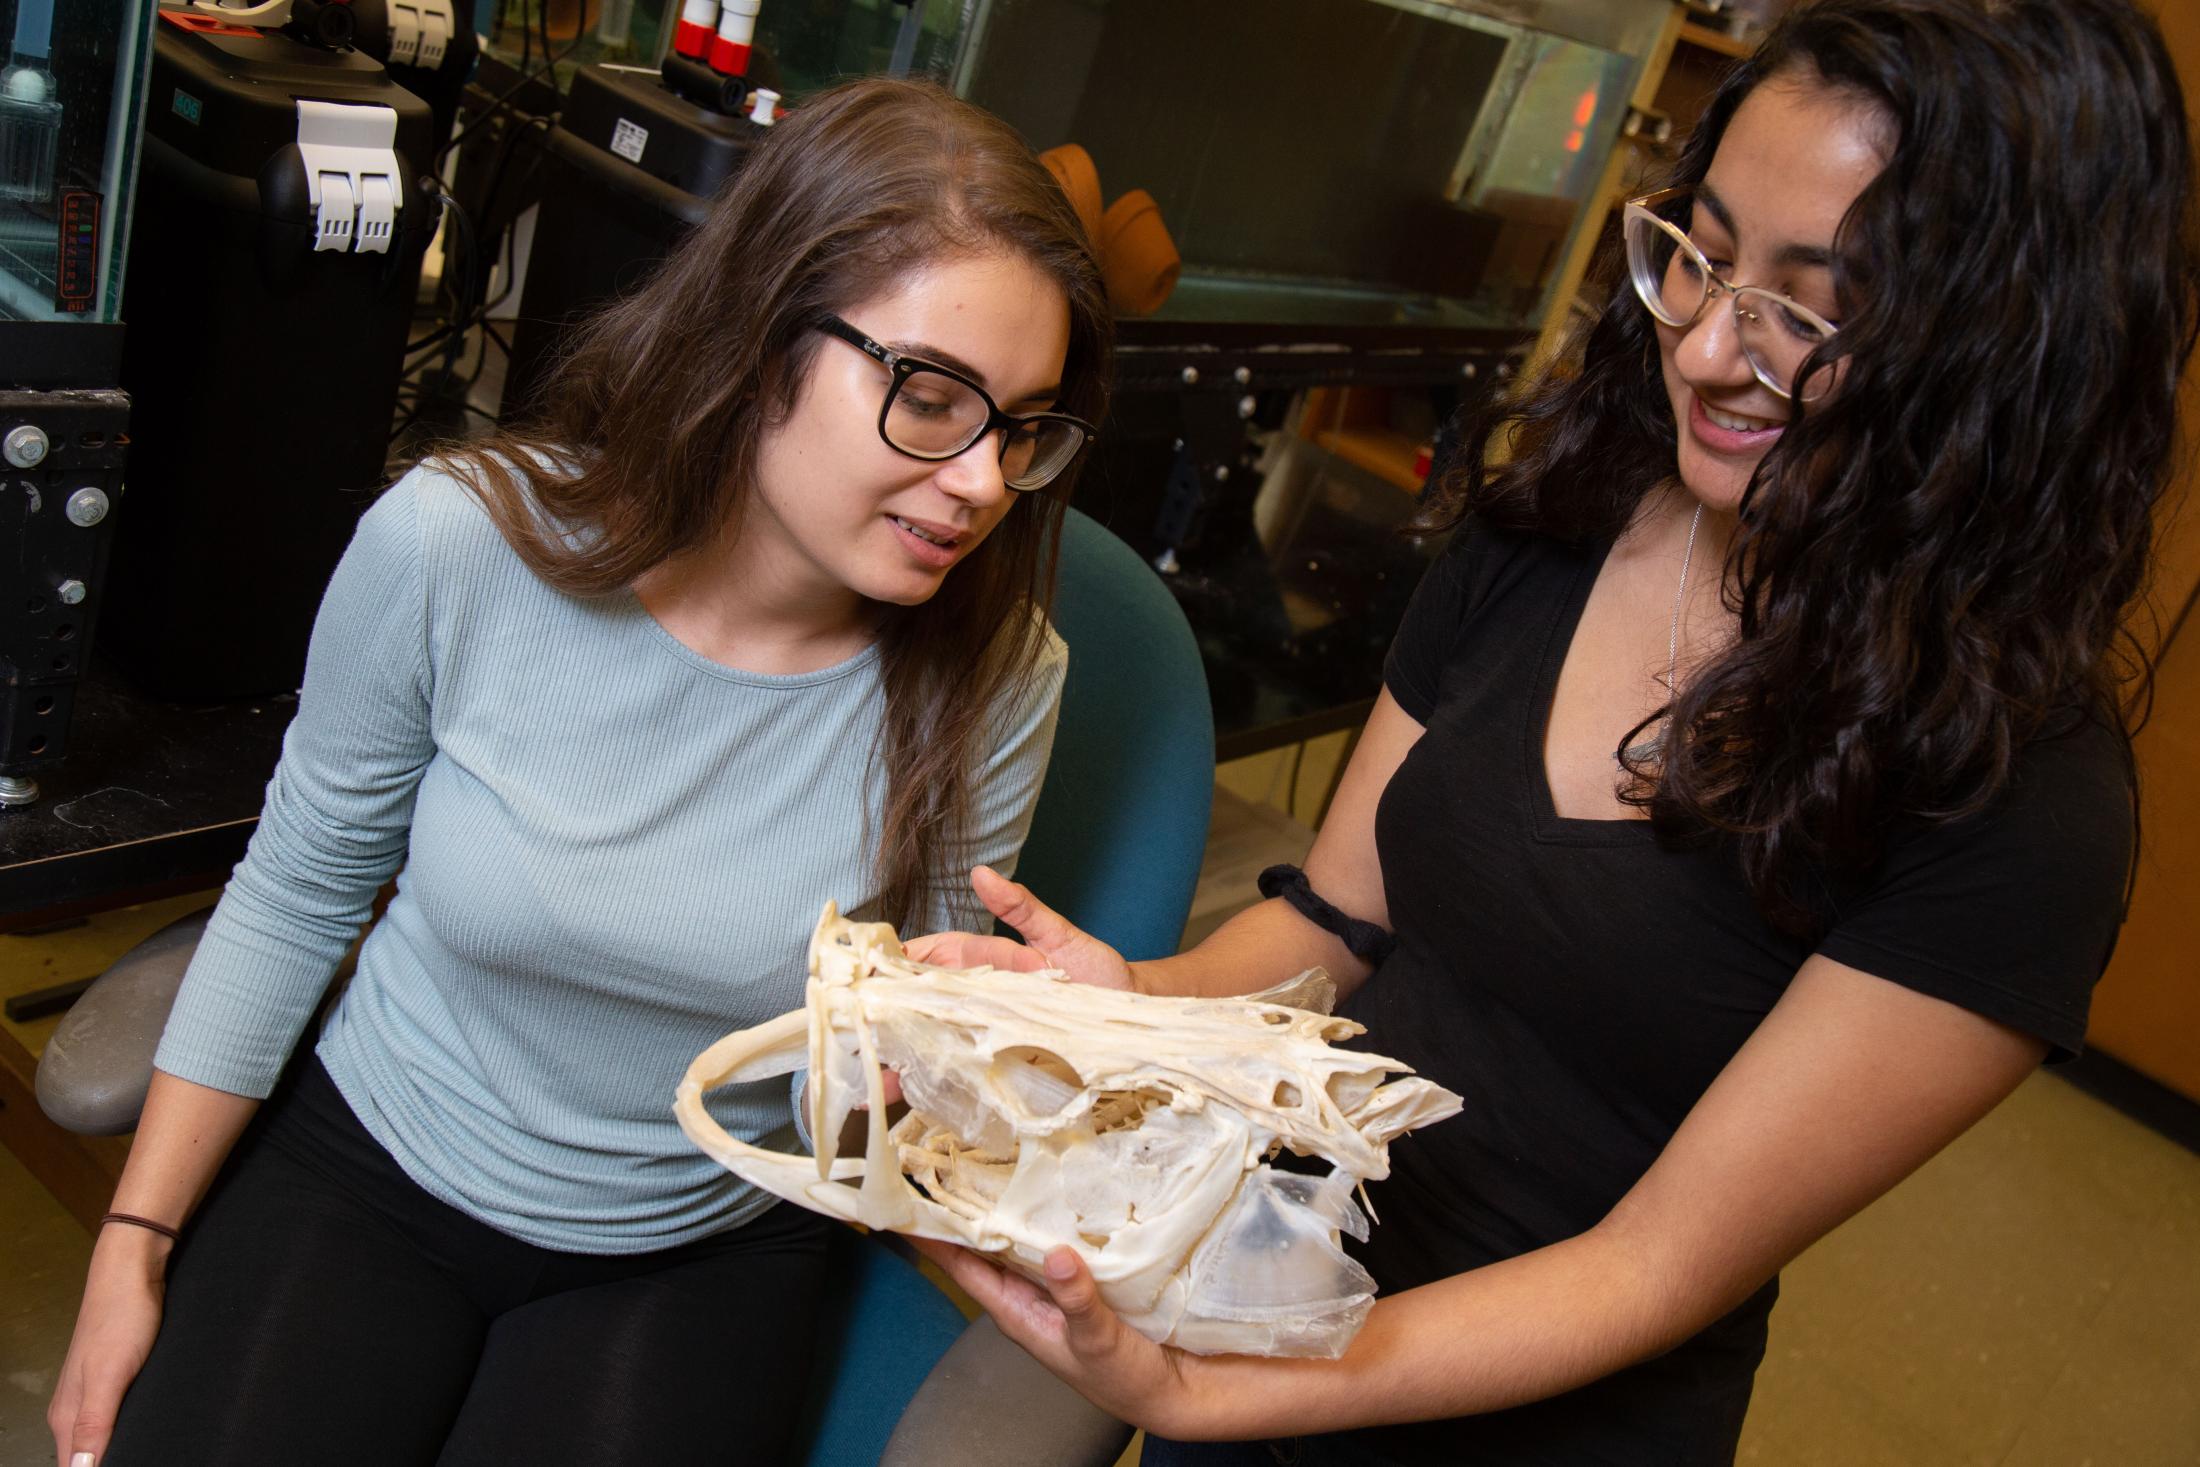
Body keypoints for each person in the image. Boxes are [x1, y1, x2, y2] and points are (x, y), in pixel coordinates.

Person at [908, 2, 2197, 1462]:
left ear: (2005, 358)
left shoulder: (2016, 798)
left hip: (1528, 1398)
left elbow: (1651, 1266)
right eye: (1703, 257)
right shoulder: (1564, 514)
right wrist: (1134, 993)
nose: (1708, 350)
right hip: (1280, 1269)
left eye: (1806, 310)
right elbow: (1339, 922)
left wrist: (1239, 1391)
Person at [47, 77, 1110, 1467]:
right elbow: (298, 891)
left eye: (1020, 427)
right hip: (379, 1157)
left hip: (702, 1232)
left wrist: (996, 1078)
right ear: (761, 334)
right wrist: (134, 1245)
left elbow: (880, 1061)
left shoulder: (996, 676)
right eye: (929, 397)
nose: (978, 482)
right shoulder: (456, 548)